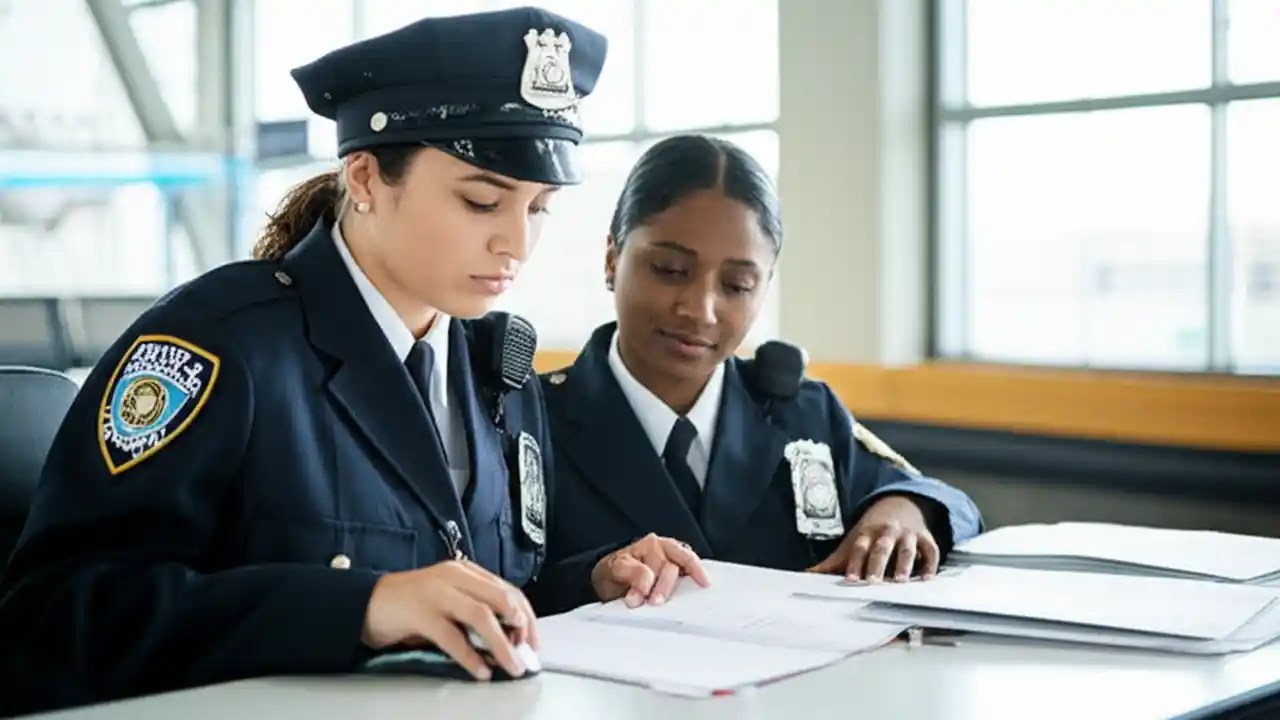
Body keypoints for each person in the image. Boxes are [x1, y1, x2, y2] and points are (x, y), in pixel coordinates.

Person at [0, 8, 701, 715]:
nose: (515, 243)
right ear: (364, 177)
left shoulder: (498, 367)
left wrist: (591, 582)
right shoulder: (218, 347)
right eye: (482, 201)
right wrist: (361, 607)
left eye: (540, 207)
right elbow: (53, 617)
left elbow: (480, 588)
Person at [537, 134, 983, 613]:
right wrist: (594, 577)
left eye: (737, 285)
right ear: (612, 258)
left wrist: (904, 509)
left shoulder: (801, 416)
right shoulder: (533, 419)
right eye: (669, 270)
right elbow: (495, 584)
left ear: (765, 287)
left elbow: (947, 500)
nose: (701, 310)